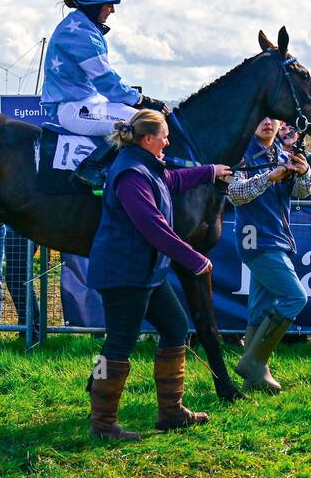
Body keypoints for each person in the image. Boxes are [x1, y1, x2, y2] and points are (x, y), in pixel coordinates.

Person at [85, 110, 230, 440]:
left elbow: (174, 181)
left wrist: (211, 171)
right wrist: (193, 259)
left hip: (147, 272)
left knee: (176, 326)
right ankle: (103, 425)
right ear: (148, 139)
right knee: (119, 343)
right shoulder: (131, 174)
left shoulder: (146, 166)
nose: (169, 141)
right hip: (123, 273)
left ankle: (171, 412)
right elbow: (153, 227)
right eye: (164, 135)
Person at [41, 0, 171, 187]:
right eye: (110, 4)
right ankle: (92, 167)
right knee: (138, 123)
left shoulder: (83, 26)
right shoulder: (80, 34)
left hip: (87, 103)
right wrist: (144, 101)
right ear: (94, 5)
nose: (112, 10)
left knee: (138, 116)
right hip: (74, 109)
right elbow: (107, 83)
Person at [227, 116, 311, 394]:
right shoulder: (240, 153)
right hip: (256, 239)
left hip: (278, 237)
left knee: (260, 309)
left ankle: (251, 380)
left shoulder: (282, 153)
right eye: (261, 118)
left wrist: (304, 173)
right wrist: (269, 176)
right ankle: (253, 362)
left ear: (280, 124)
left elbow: (304, 192)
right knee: (295, 297)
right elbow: (234, 194)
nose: (267, 123)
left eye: (273, 119)